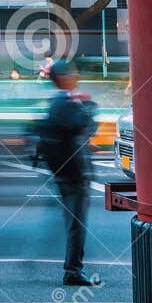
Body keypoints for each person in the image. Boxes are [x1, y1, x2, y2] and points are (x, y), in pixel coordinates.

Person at [33, 59, 100, 286]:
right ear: (63, 78)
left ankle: (71, 268)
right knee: (76, 224)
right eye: (72, 74)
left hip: (62, 172)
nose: (76, 77)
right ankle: (72, 271)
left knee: (71, 222)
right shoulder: (67, 105)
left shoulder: (55, 103)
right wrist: (89, 106)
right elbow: (86, 125)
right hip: (74, 174)